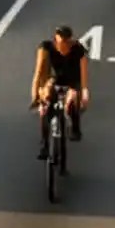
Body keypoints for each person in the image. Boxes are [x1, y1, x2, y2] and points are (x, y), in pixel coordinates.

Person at [30, 25, 89, 160]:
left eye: (66, 43)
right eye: (59, 42)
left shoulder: (78, 50)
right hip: (53, 80)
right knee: (45, 108)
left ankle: (75, 127)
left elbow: (84, 75)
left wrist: (84, 92)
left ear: (70, 41)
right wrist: (36, 97)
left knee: (71, 101)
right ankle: (44, 145)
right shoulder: (45, 48)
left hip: (72, 81)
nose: (62, 46)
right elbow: (38, 74)